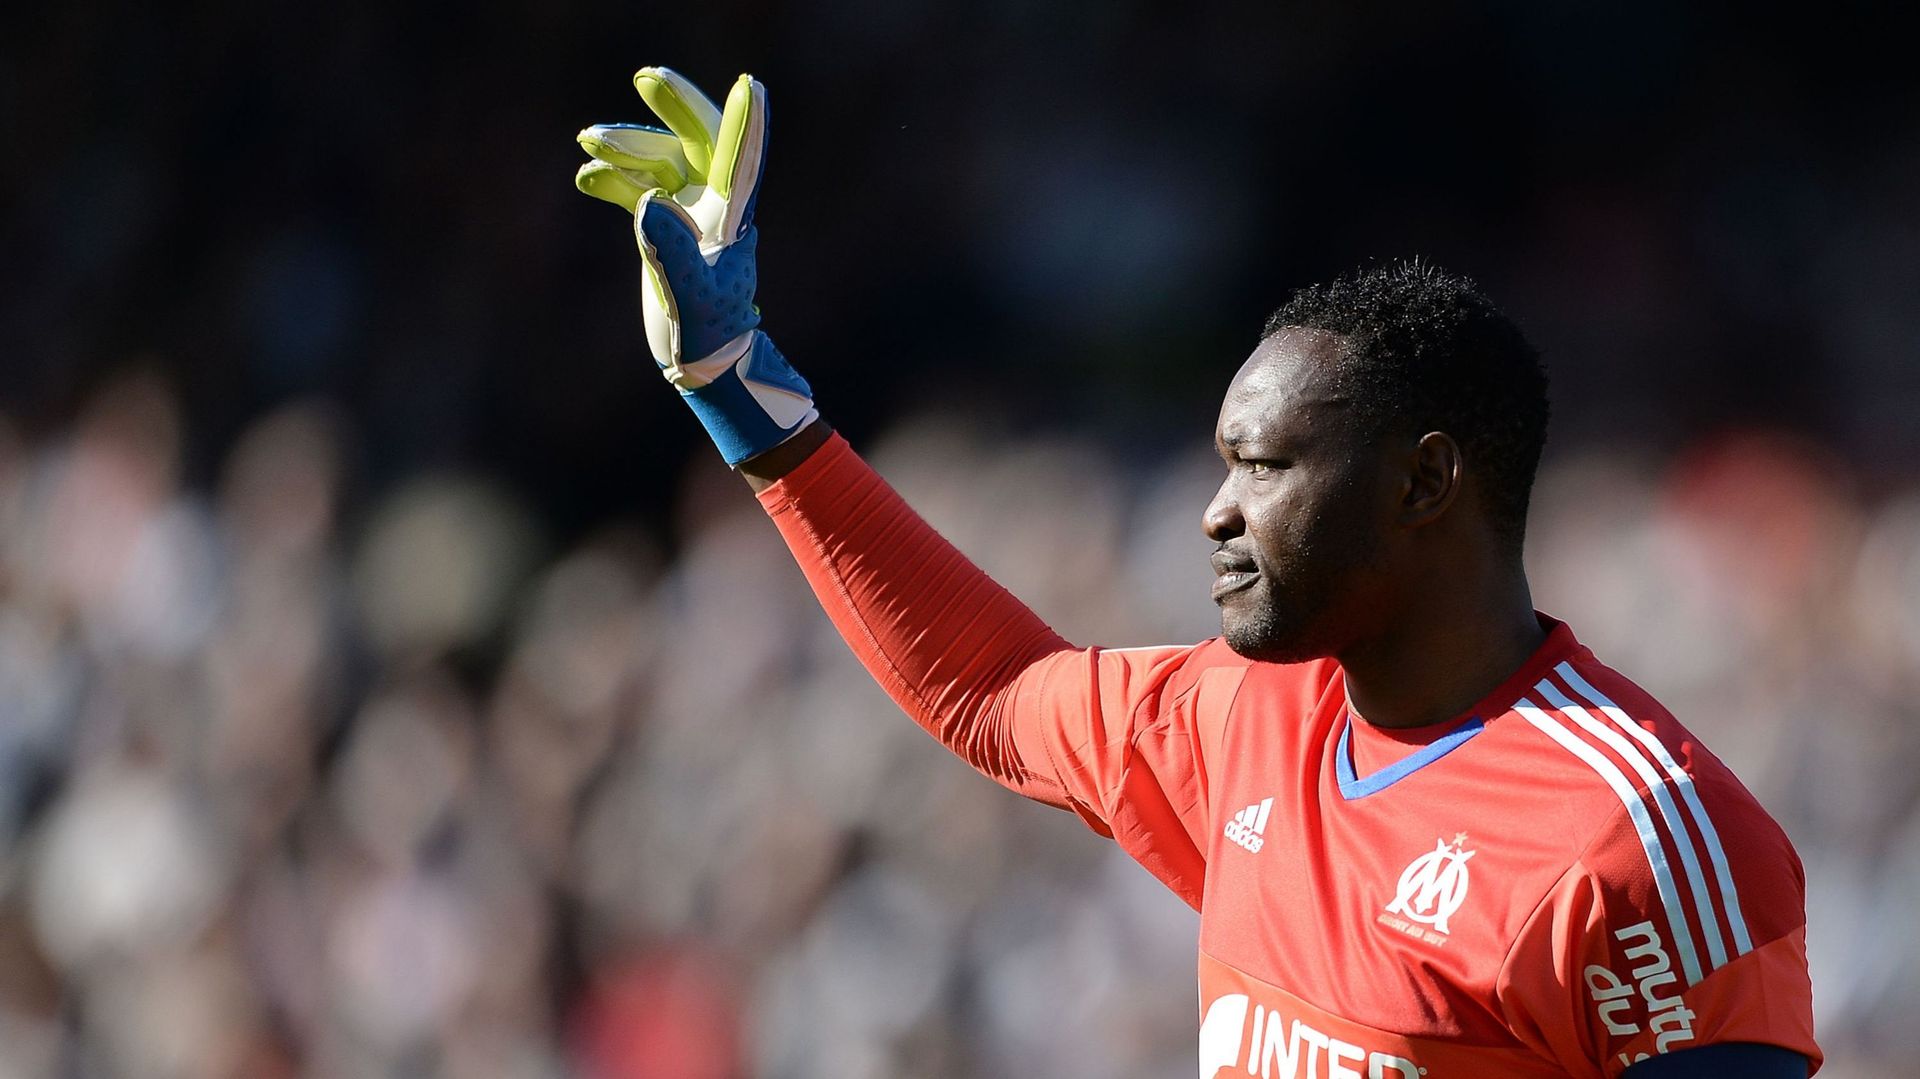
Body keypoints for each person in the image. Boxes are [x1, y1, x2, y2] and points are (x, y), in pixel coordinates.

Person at [573, 68, 1820, 1078]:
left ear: (1425, 483)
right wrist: (740, 383)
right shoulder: (1246, 720)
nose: (1217, 511)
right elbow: (1000, 688)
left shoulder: (1642, 838)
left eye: (1264, 466)